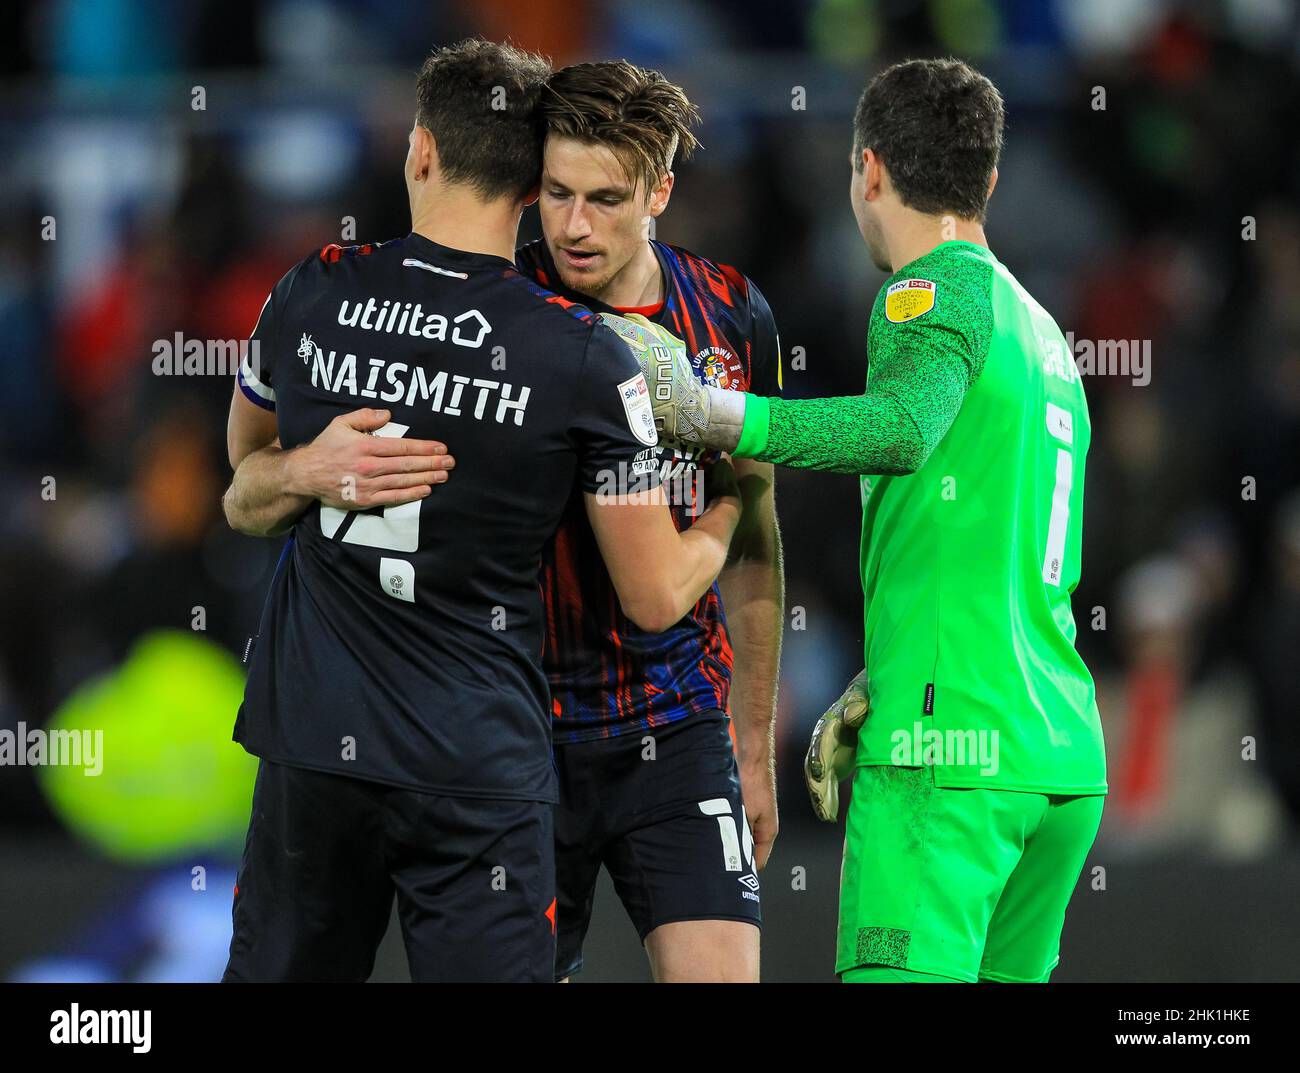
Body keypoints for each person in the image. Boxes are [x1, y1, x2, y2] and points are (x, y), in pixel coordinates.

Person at [219, 38, 740, 983]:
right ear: (533, 184)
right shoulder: (582, 356)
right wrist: (733, 506)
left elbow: (241, 490)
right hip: (477, 772)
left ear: (420, 151)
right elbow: (657, 595)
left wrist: (307, 471)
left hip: (312, 748)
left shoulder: (311, 292)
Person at [636, 57, 1107, 984]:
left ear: (871, 170)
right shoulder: (1044, 332)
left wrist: (715, 413)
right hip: (1054, 752)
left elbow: (897, 429)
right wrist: (885, 673)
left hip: (949, 762)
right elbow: (1005, 556)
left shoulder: (931, 288)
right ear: (990, 180)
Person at [514, 60, 784, 983]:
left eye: (605, 197)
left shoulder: (734, 316)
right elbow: (731, 515)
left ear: (660, 190)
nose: (574, 226)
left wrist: (754, 743)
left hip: (676, 724)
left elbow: (758, 540)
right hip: (519, 735)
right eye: (555, 193)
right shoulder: (503, 309)